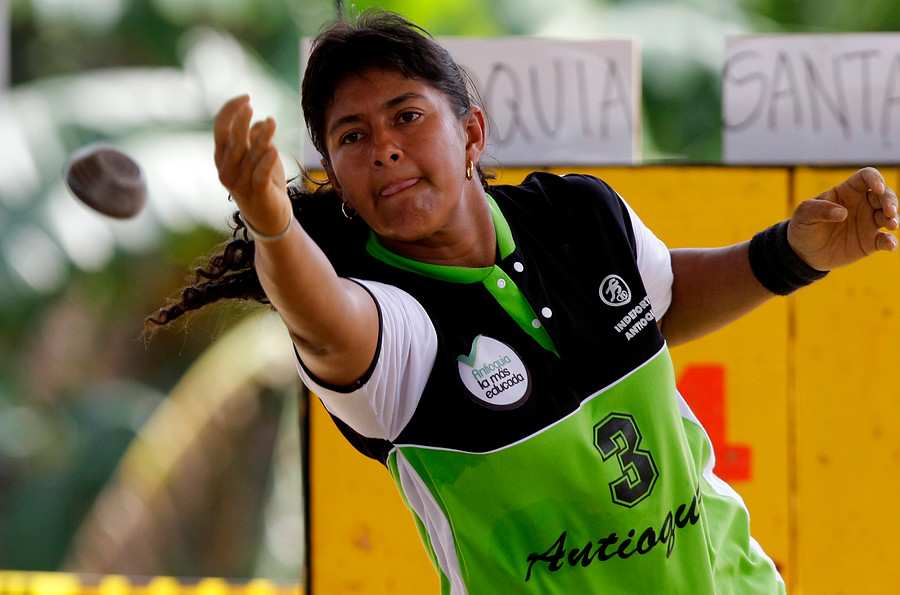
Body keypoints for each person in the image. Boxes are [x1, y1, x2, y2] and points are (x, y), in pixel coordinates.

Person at [147, 9, 898, 594]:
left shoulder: (577, 215)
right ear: (339, 182)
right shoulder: (390, 324)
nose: (384, 147)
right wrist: (274, 226)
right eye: (353, 136)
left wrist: (790, 254)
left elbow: (661, 297)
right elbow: (323, 318)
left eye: (407, 115)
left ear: (471, 133)